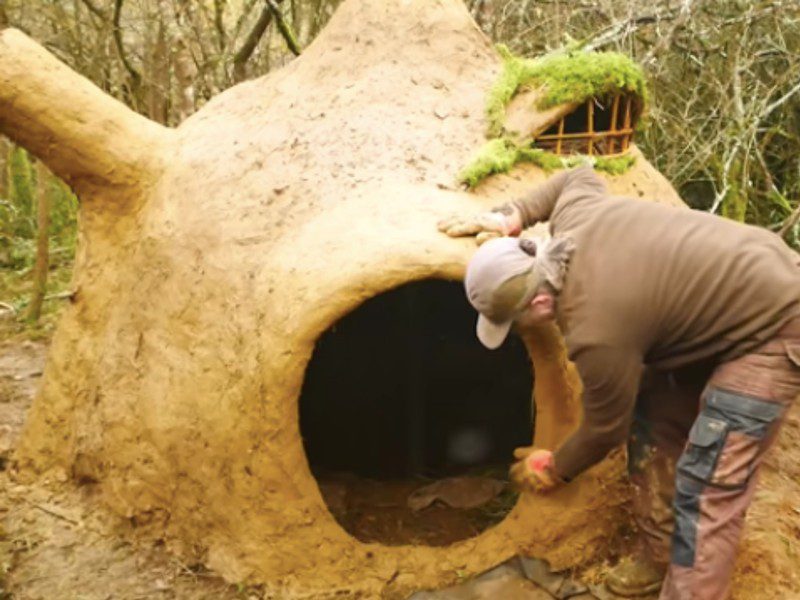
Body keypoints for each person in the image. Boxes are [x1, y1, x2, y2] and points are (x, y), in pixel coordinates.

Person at [437, 166, 800, 599]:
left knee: (708, 488)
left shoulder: (596, 332)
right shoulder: (573, 221)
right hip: (727, 302)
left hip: (778, 323)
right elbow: (576, 177)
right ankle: (661, 556)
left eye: (514, 324)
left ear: (538, 300)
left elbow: (604, 428)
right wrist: (510, 217)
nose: (518, 332)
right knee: (654, 414)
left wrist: (555, 468)